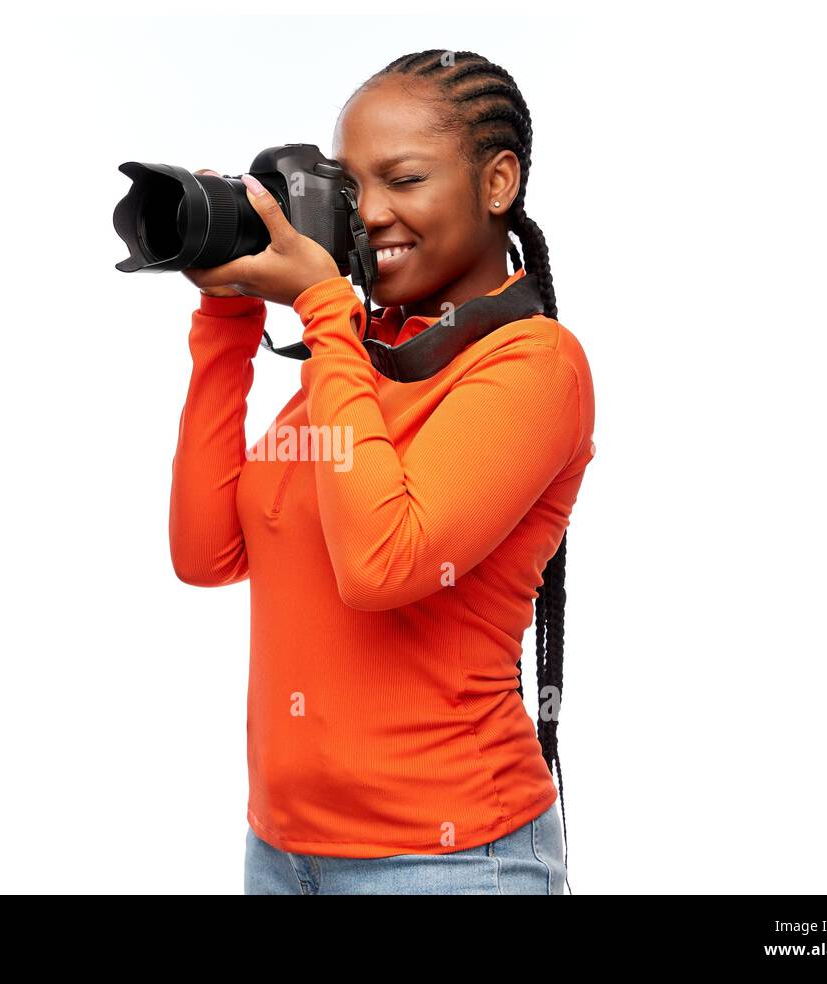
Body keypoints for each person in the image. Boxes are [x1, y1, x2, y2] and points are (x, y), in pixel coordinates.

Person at [168, 50, 596, 895]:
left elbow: (382, 564)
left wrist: (329, 317)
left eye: (404, 179)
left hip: (449, 863)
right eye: (353, 187)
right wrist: (226, 320)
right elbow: (203, 552)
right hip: (280, 854)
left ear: (498, 181)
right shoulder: (367, 352)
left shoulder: (536, 365)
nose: (372, 215)